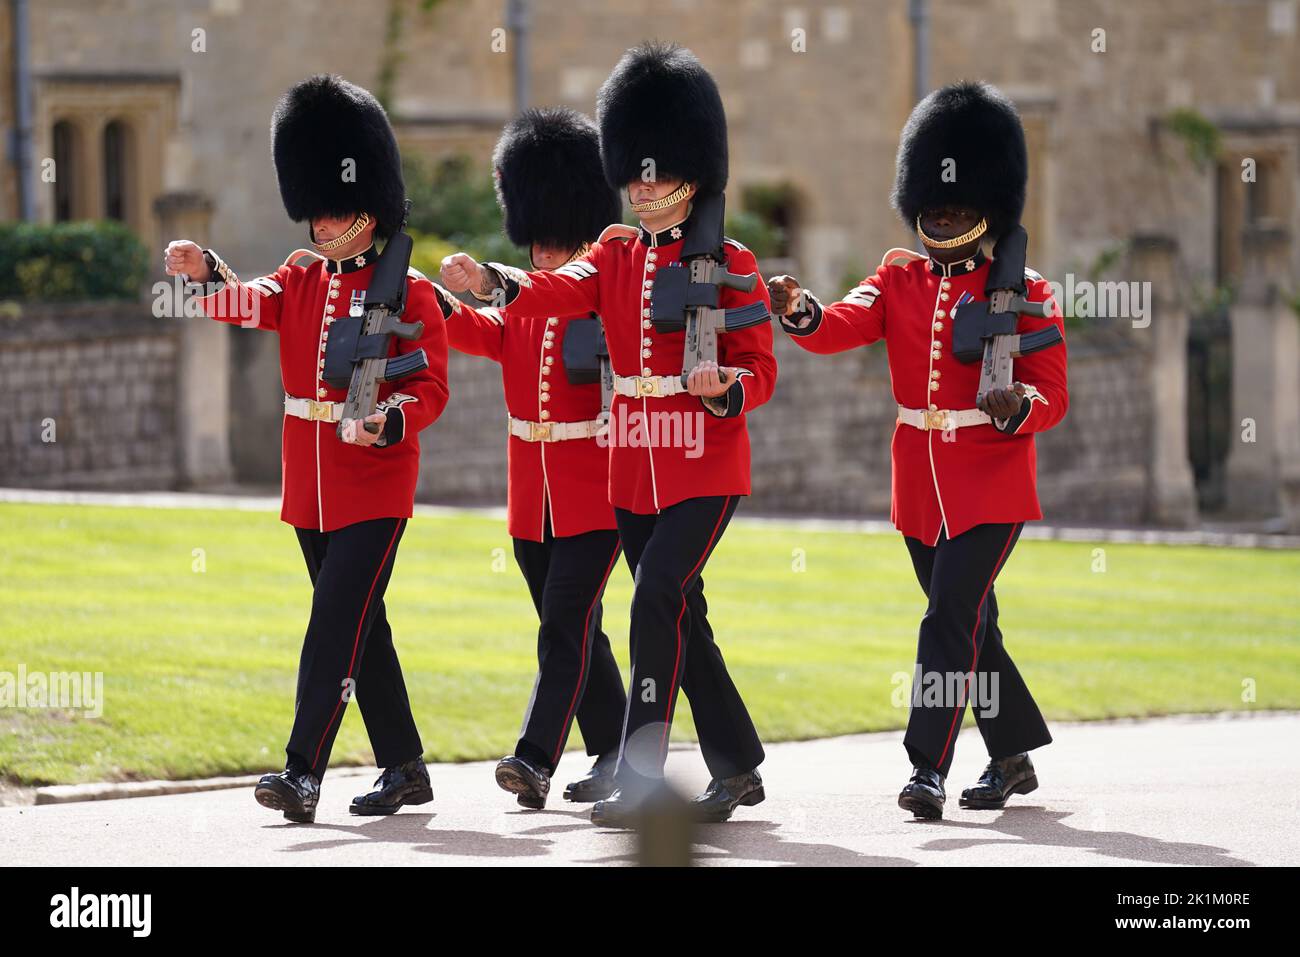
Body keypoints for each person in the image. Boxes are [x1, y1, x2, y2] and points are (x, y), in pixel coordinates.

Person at [441, 42, 776, 827]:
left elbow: (760, 368)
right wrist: (497, 283)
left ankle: (641, 773)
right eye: (638, 173)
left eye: (659, 173)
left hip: (705, 469)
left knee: (655, 596)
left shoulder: (731, 262)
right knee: (681, 613)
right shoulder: (616, 252)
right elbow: (557, 289)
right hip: (631, 476)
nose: (646, 186)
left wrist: (727, 389)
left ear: (694, 175)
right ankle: (739, 765)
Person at [768, 81, 1067, 820]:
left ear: (985, 211)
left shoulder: (1025, 291)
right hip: (920, 487)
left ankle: (926, 765)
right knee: (973, 625)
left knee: (945, 620)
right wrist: (801, 309)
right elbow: (840, 323)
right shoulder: (898, 277)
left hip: (993, 485)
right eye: (936, 207)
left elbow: (1053, 393)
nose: (945, 217)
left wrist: (1018, 407)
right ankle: (1011, 755)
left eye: (960, 208)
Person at [164, 74, 450, 824]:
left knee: (333, 624)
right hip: (313, 486)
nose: (322, 226)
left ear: (370, 211)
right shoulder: (300, 276)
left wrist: (389, 420)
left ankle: (302, 771)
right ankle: (406, 767)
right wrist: (207, 274)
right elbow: (252, 302)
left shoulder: (410, 295)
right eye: (316, 213)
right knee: (364, 625)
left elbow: (431, 391)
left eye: (335, 213)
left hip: (376, 484)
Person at [442, 107, 627, 809]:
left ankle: (534, 756)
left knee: (564, 622)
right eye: (537, 243)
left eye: (556, 243)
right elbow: (480, 330)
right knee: (579, 627)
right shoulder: (522, 301)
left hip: (596, 490)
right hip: (534, 497)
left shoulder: (602, 295)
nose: (543, 255)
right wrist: (432, 298)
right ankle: (617, 751)